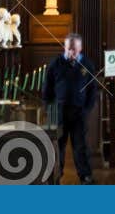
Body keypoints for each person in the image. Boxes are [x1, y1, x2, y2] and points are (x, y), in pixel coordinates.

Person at [42, 31, 98, 183]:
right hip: (59, 111)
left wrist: (87, 109)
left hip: (79, 112)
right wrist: (48, 108)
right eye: (69, 49)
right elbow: (47, 89)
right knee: (58, 145)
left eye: (75, 49)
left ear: (80, 48)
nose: (72, 52)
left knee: (80, 146)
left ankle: (85, 175)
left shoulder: (87, 64)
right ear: (65, 47)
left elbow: (92, 90)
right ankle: (55, 175)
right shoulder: (55, 64)